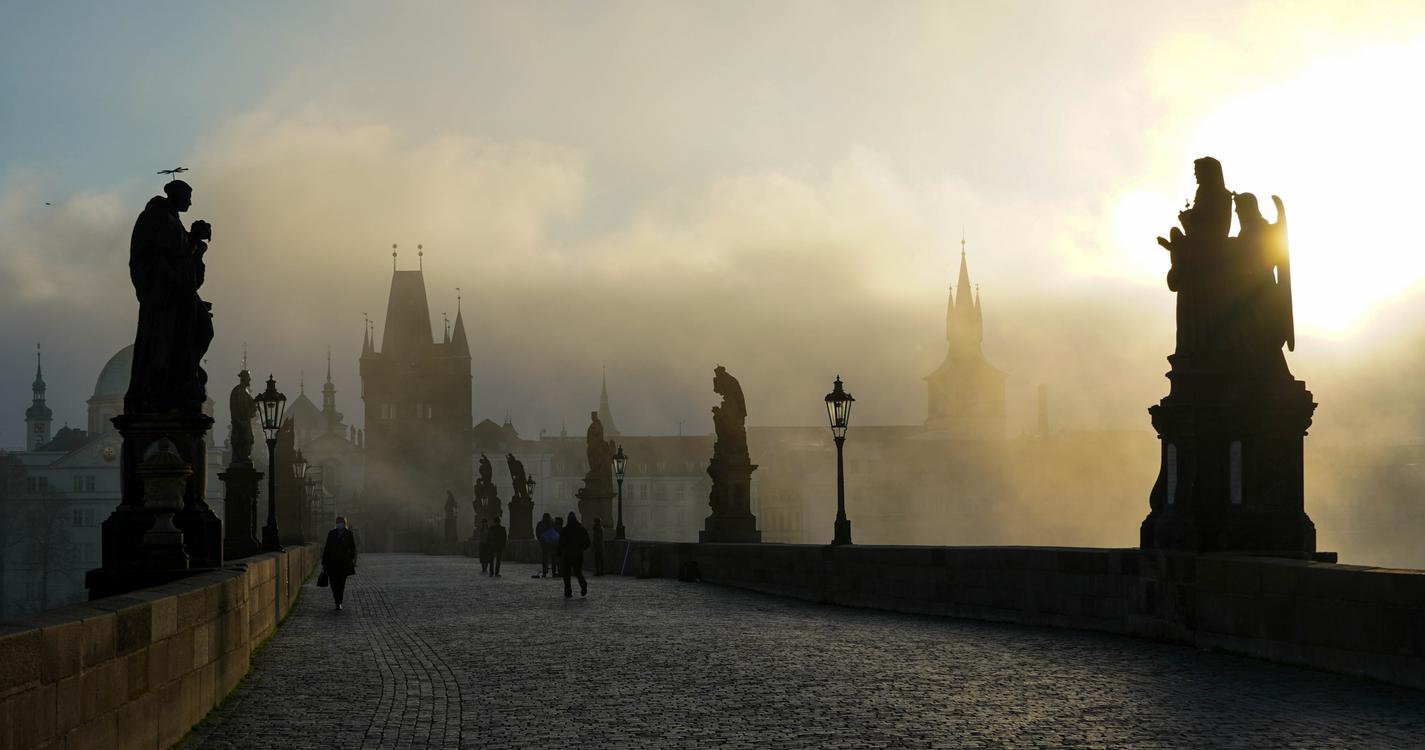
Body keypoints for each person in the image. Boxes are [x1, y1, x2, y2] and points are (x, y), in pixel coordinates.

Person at [322, 516, 357, 610]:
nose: (339, 524)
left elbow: (352, 547)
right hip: (332, 563)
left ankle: (339, 602)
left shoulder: (349, 534)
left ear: (344, 523)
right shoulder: (332, 533)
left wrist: (350, 557)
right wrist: (324, 561)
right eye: (337, 523)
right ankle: (336, 599)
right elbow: (327, 548)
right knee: (333, 583)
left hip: (343, 563)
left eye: (340, 523)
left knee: (341, 584)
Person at [558, 512, 591, 598]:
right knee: (578, 572)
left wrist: (560, 551)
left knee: (567, 574)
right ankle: (583, 585)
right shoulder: (581, 529)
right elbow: (587, 542)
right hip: (578, 554)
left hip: (568, 554)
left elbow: (561, 543)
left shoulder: (565, 530)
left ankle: (568, 591)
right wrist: (581, 548)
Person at [534, 513, 553, 578]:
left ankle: (544, 571)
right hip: (551, 543)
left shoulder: (540, 524)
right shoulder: (551, 524)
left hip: (544, 543)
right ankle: (553, 572)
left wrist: (540, 540)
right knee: (553, 557)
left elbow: (537, 533)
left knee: (544, 557)